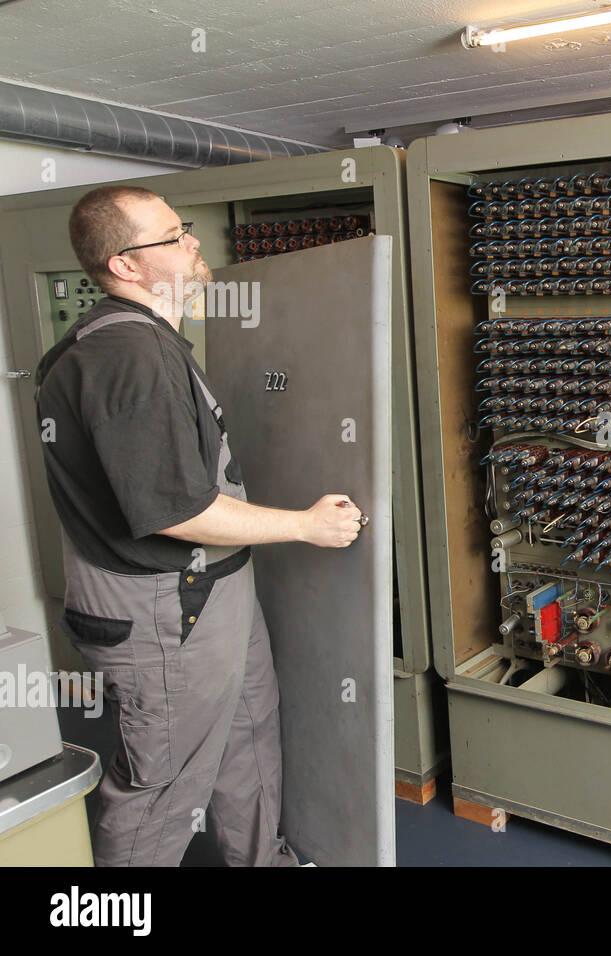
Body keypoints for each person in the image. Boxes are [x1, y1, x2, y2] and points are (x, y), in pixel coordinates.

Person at [34, 185, 364, 866]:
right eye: (172, 236)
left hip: (209, 591)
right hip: (164, 609)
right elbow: (177, 512)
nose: (192, 243)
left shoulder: (146, 340)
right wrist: (305, 526)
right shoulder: (130, 358)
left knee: (247, 738)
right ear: (125, 265)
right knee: (163, 785)